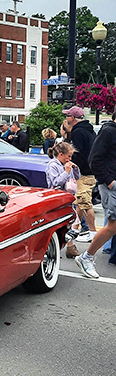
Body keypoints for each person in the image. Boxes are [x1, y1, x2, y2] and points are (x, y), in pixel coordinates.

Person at [75, 109, 116, 278]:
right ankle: (87, 257)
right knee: (113, 226)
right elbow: (94, 159)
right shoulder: (108, 131)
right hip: (111, 185)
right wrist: (109, 181)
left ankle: (87, 257)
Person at [61, 105, 96, 242]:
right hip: (91, 170)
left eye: (67, 116)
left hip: (83, 172)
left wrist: (72, 165)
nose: (66, 118)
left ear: (73, 118)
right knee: (80, 201)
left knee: (85, 202)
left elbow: (77, 153)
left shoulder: (77, 133)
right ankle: (75, 228)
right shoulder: (89, 131)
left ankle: (92, 232)